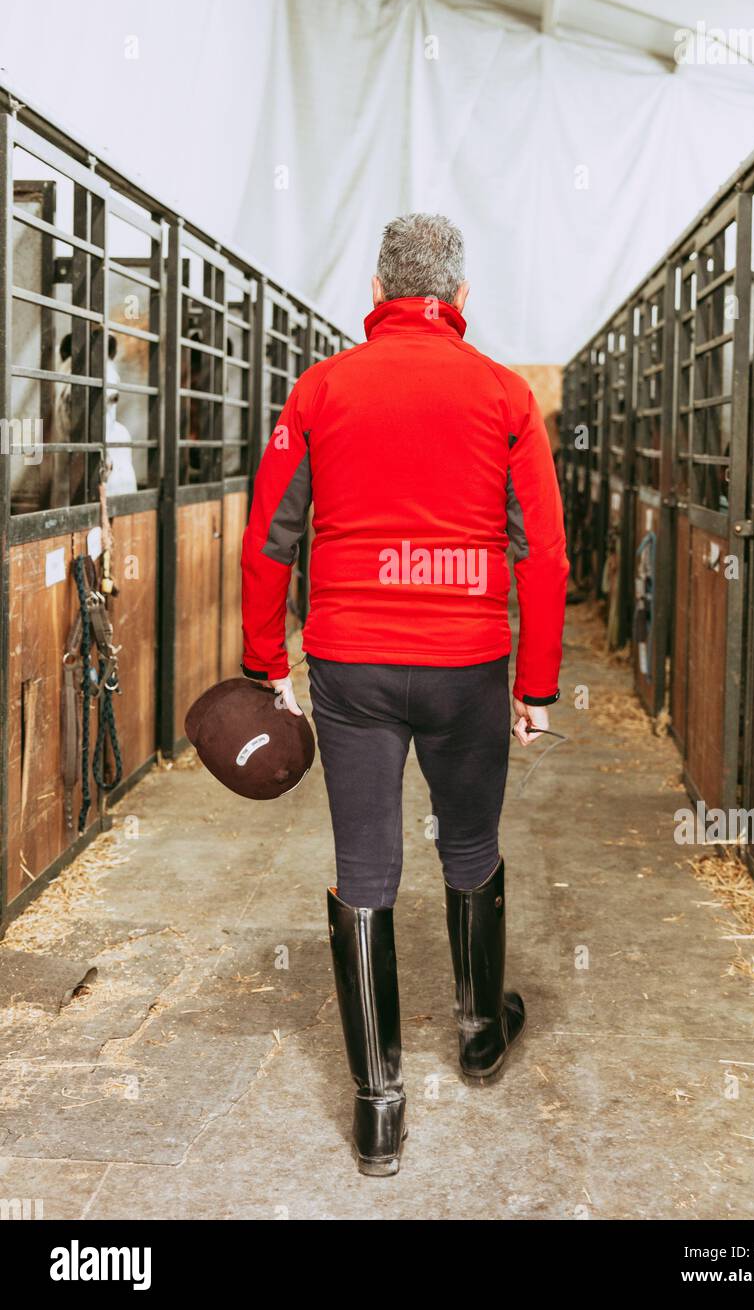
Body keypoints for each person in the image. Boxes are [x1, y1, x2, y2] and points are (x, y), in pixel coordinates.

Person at [241, 214, 568, 1176]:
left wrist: (269, 665)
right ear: (461, 297)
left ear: (378, 289)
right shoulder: (505, 395)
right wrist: (537, 685)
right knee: (469, 845)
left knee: (365, 868)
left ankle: (378, 1105)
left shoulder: (321, 389)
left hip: (351, 668)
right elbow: (542, 553)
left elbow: (271, 540)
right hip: (469, 664)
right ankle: (478, 1036)